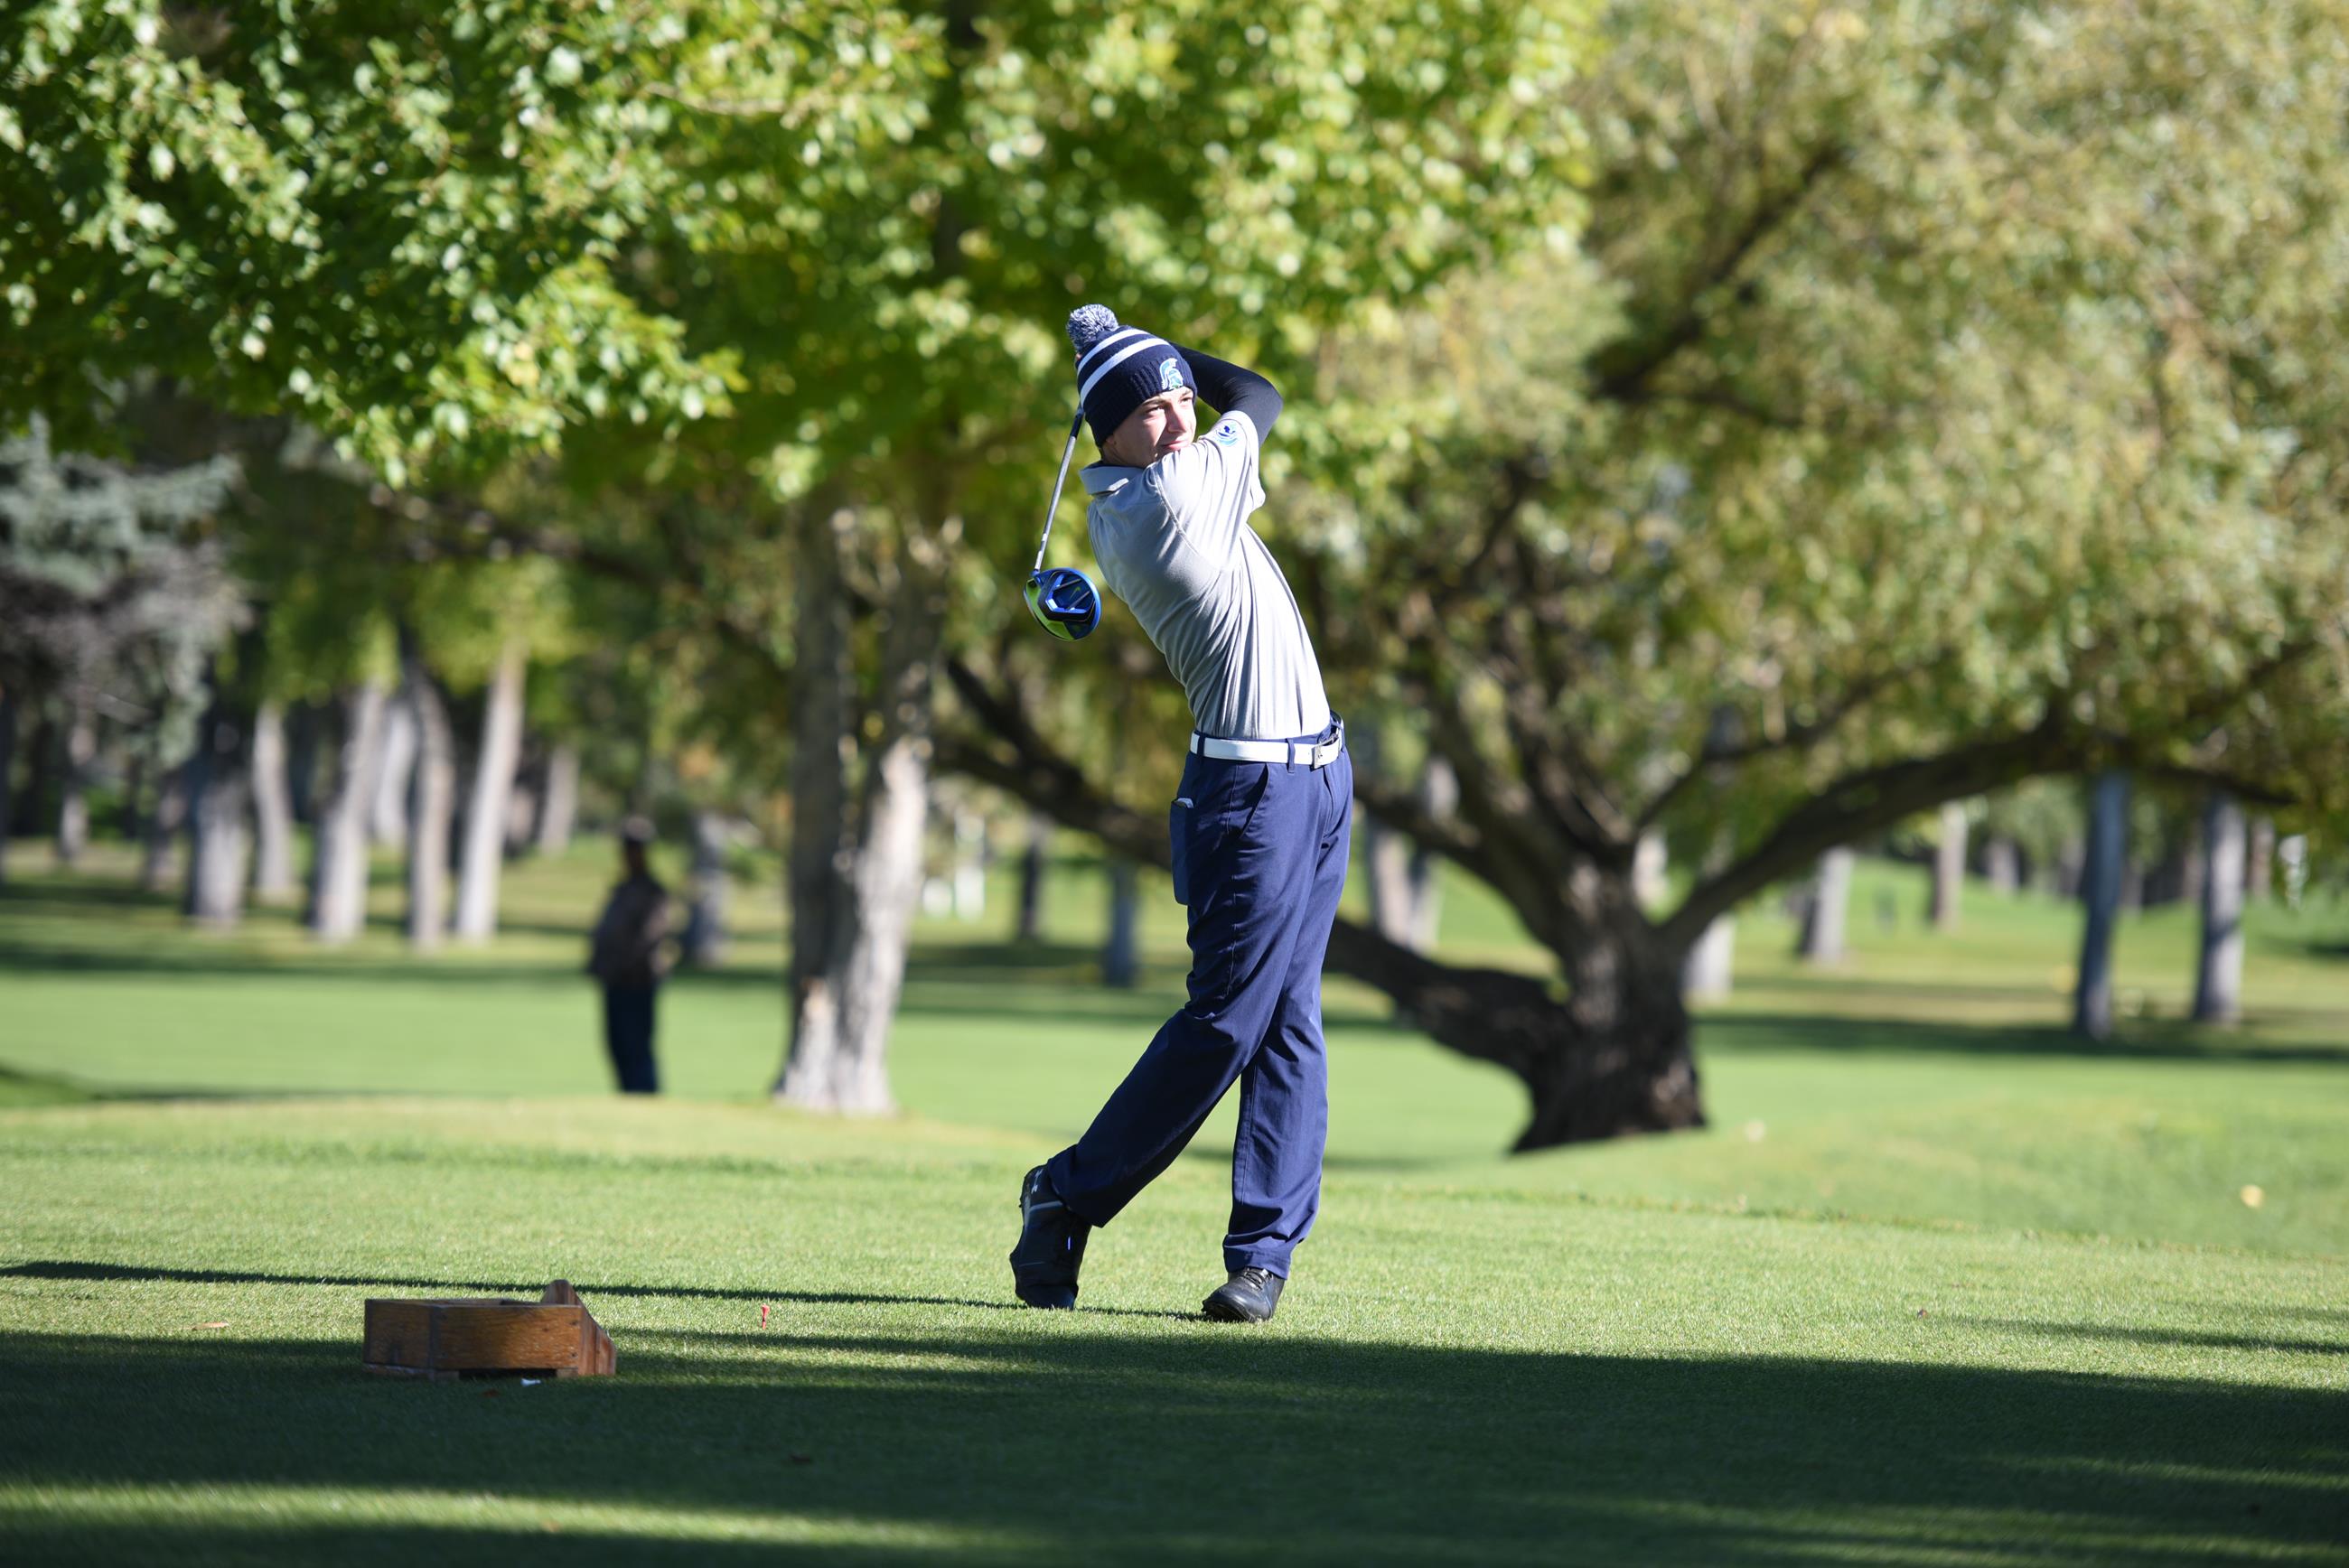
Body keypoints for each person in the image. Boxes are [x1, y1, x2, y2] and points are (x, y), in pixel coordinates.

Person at [1009, 306, 1352, 1324]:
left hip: (1317, 779)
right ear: (1104, 435)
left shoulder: (1161, 478)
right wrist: (1158, 344)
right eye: (1146, 412)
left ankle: (1262, 1256)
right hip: (1248, 799)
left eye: (1175, 406)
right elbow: (1260, 393)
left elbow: (1222, 402)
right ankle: (1066, 1191)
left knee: (1288, 1022)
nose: (1173, 422)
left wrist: (1139, 359)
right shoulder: (1169, 499)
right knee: (1225, 1023)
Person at [586, 817, 671, 1094]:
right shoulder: (622, 890)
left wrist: (621, 962)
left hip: (638, 982)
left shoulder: (651, 892)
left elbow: (649, 938)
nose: (629, 853)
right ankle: (628, 1095)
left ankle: (643, 1096)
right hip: (615, 981)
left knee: (637, 1046)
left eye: (634, 847)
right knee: (617, 1044)